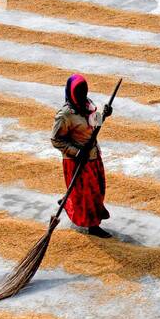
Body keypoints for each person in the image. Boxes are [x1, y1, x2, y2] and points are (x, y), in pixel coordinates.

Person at [50, 74, 113, 238]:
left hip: (93, 156)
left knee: (98, 189)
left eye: (83, 92)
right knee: (89, 195)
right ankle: (93, 227)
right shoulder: (65, 115)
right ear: (71, 93)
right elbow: (56, 140)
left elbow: (93, 124)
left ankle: (69, 200)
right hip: (77, 161)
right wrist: (77, 152)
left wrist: (104, 115)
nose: (82, 96)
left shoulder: (87, 105)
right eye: (78, 92)